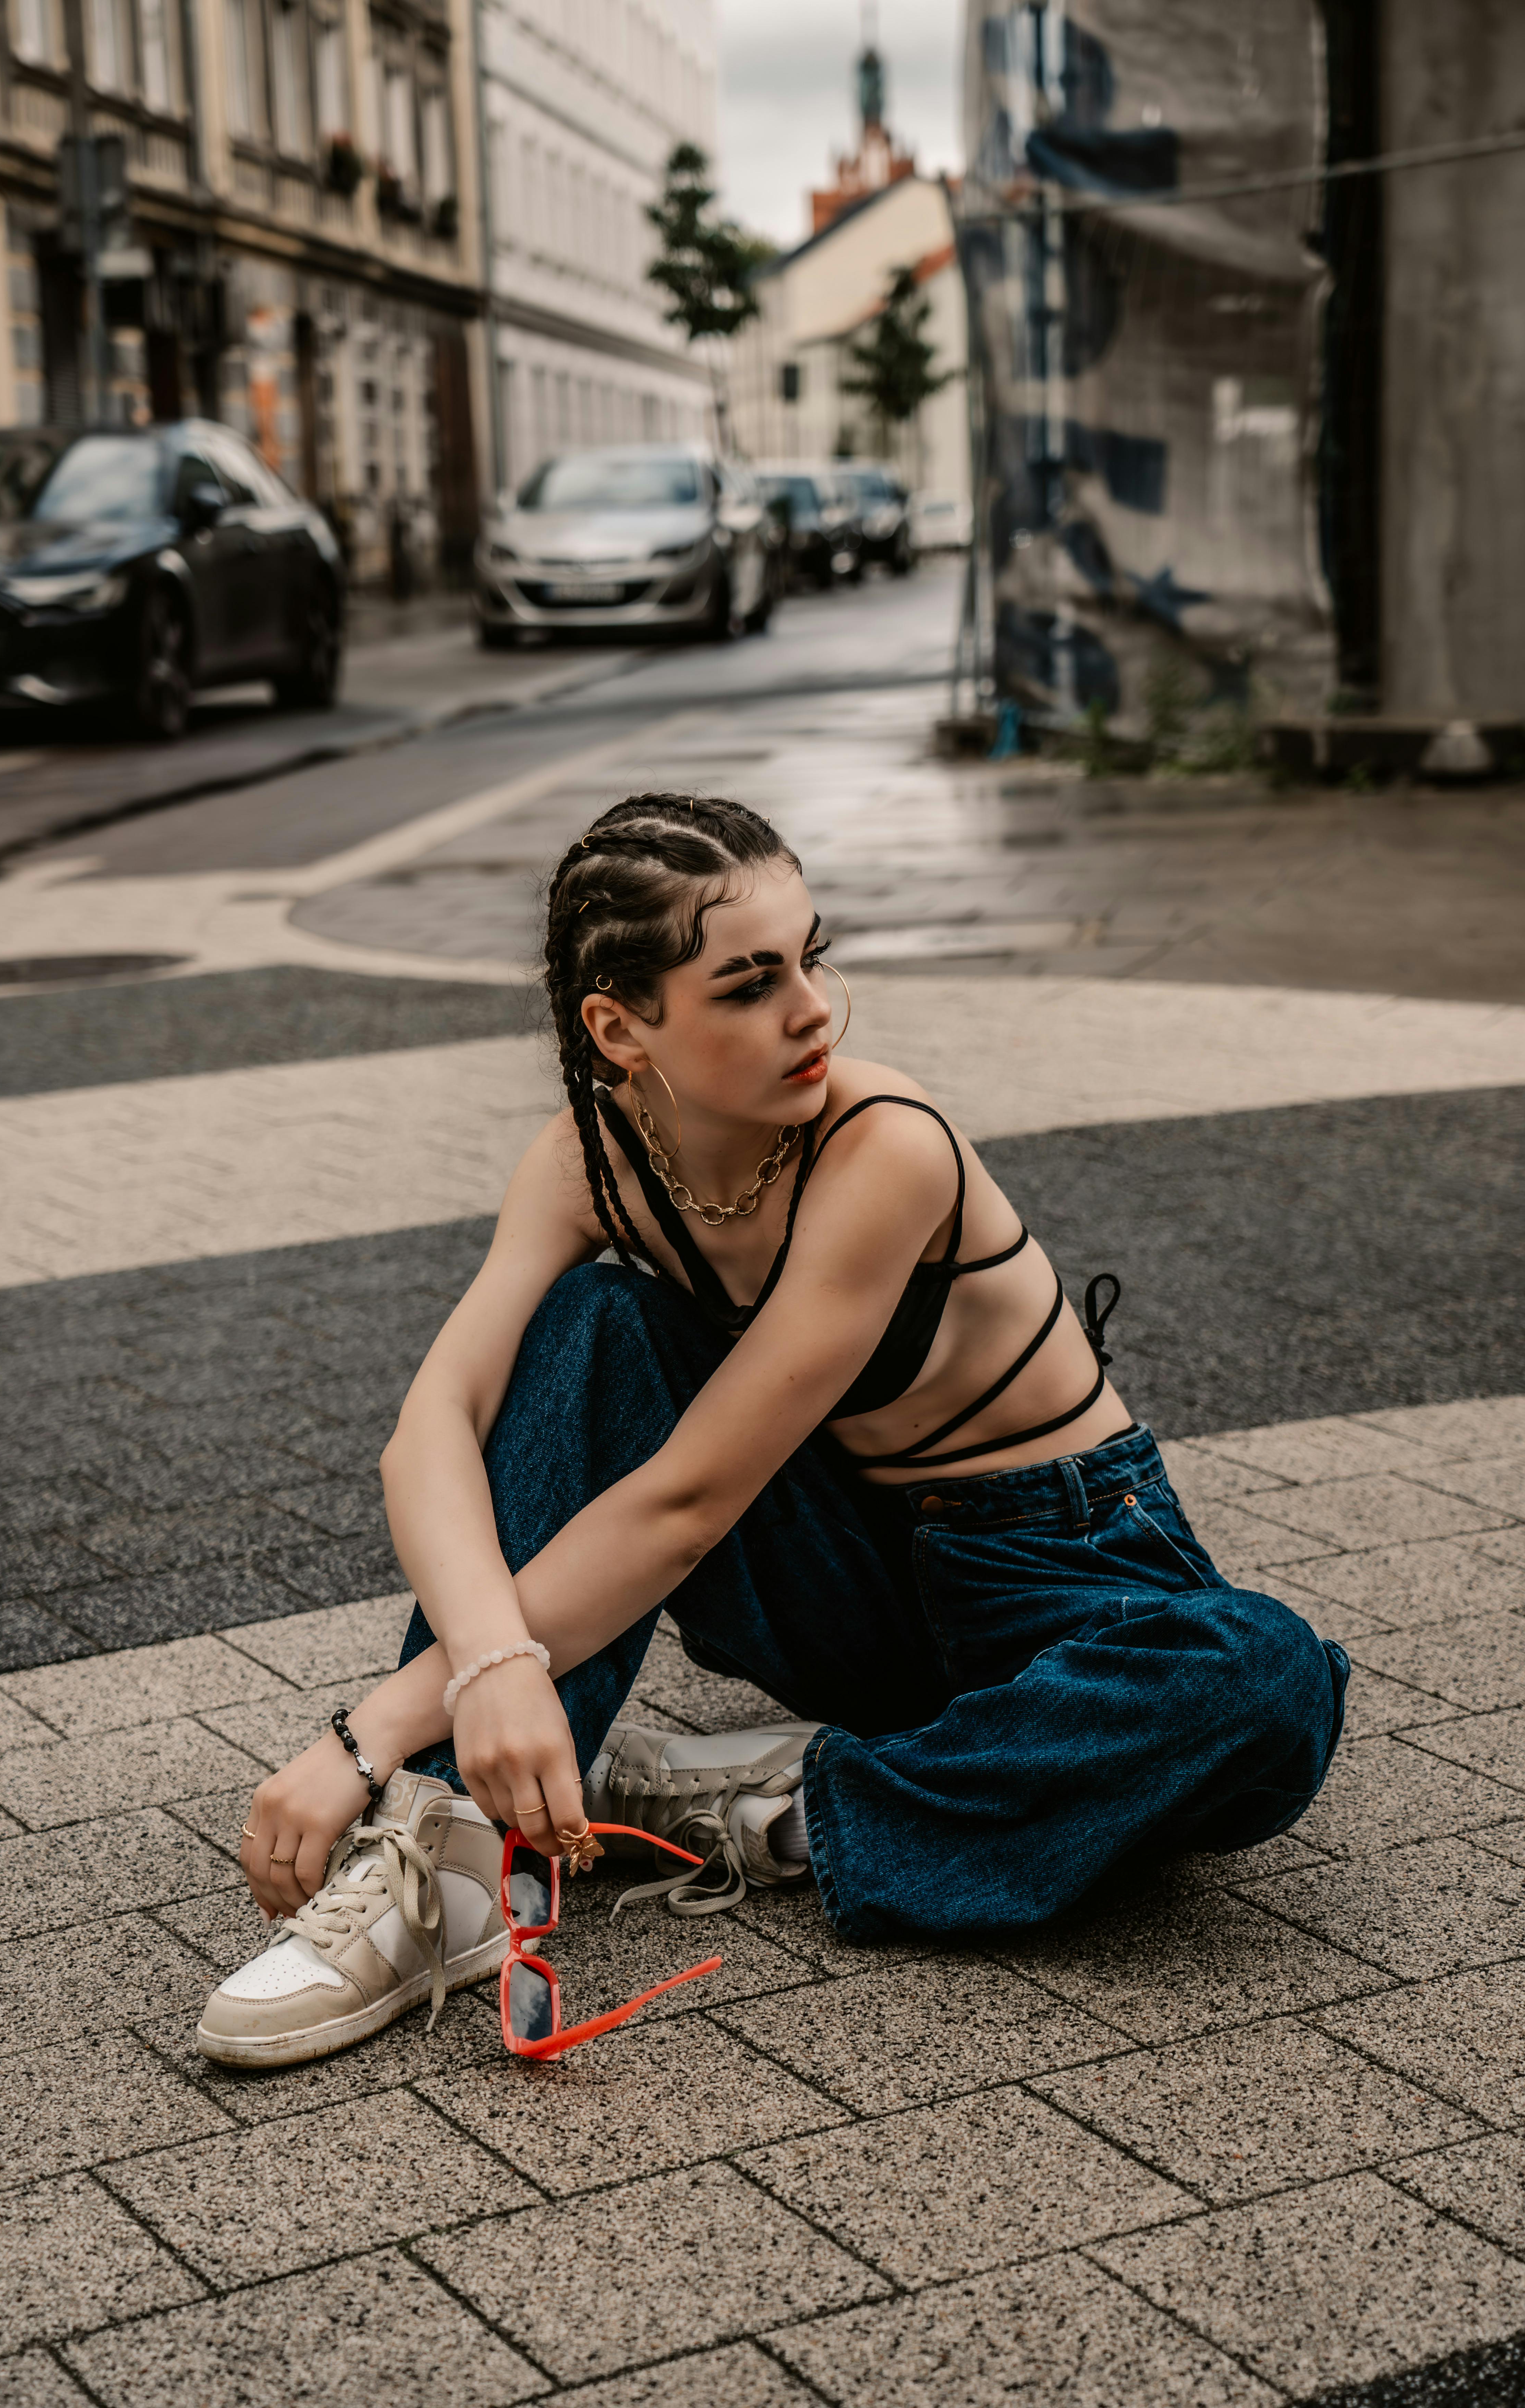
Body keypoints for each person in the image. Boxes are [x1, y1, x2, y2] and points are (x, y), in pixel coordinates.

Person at [199, 793, 1348, 2067]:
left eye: (813, 957)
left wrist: (367, 1729)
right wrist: (483, 1674)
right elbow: (431, 1430)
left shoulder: (886, 1146)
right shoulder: (592, 1163)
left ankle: (790, 1806)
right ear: (620, 1027)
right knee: (601, 1321)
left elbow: (684, 1505)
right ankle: (457, 1860)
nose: (812, 1009)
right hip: (846, 1577)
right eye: (749, 984)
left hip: (1067, 1576)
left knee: (1264, 1681)